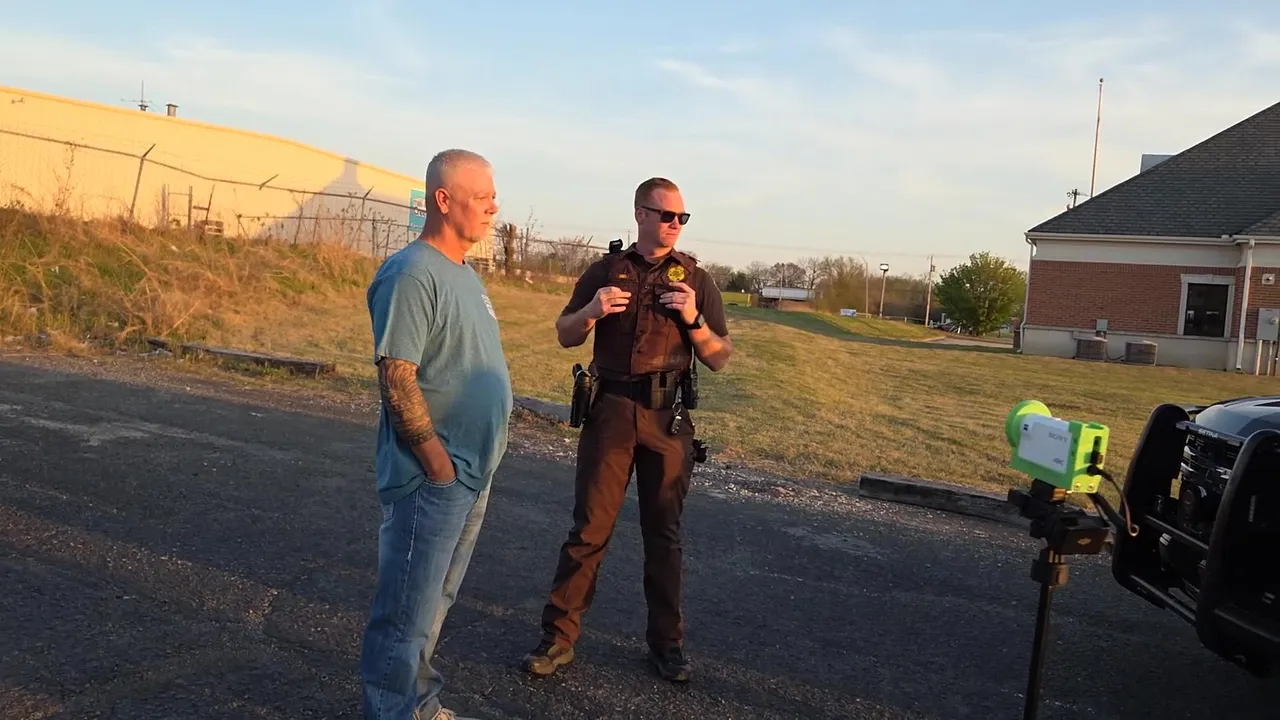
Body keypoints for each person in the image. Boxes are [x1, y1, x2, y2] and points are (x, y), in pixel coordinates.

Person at [521, 176, 733, 683]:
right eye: (667, 215)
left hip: (667, 416)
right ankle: (558, 638)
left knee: (664, 535)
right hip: (611, 410)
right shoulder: (605, 271)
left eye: (682, 217)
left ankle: (667, 645)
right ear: (640, 214)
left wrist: (693, 318)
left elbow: (720, 357)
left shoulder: (695, 279)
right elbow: (565, 334)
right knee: (589, 530)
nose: (675, 224)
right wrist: (592, 312)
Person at [359, 148, 511, 720]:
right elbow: (397, 379)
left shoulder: (463, 273)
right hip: (433, 478)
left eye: (494, 196)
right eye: (482, 196)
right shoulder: (411, 273)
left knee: (432, 606)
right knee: (404, 615)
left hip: (470, 472)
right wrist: (439, 466)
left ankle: (418, 706)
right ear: (443, 201)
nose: (493, 207)